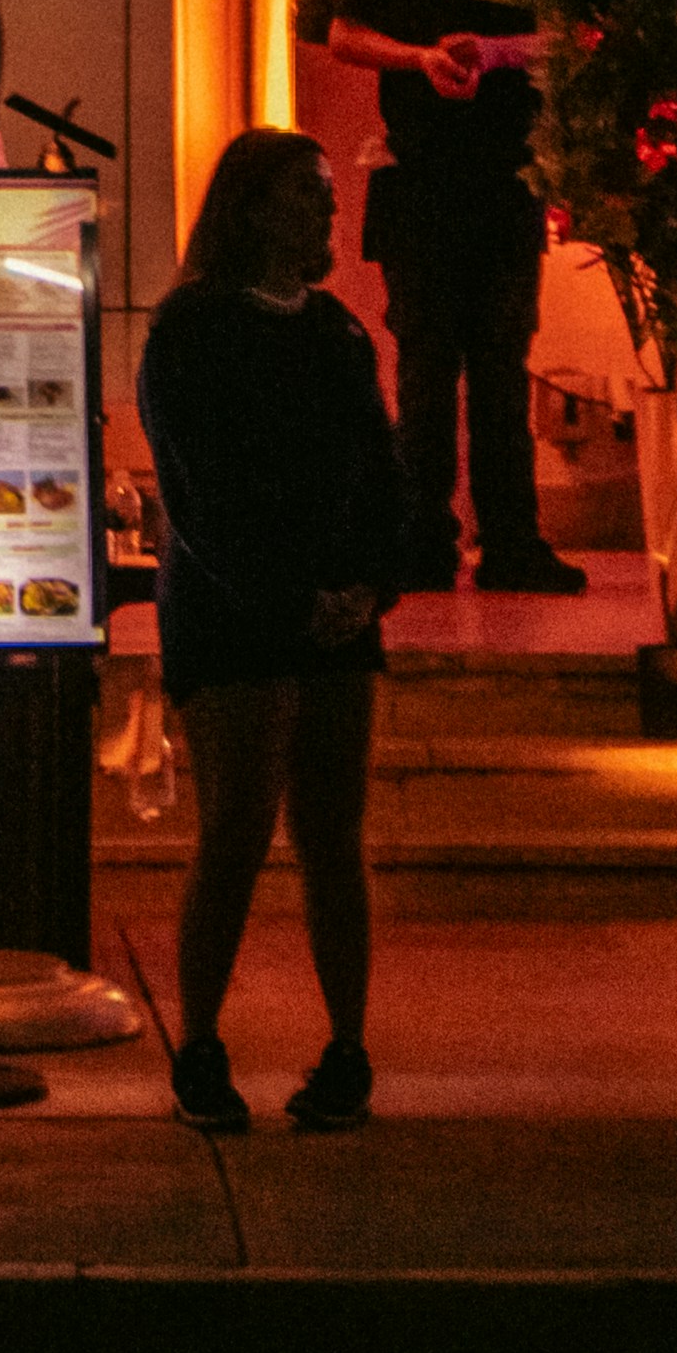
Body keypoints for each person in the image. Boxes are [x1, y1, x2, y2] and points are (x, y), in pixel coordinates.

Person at [141, 123, 406, 1130]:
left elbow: (381, 470)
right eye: (306, 191)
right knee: (237, 828)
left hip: (335, 610)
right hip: (235, 613)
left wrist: (368, 586)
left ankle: (347, 1045)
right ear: (250, 207)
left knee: (333, 831)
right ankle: (201, 1043)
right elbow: (201, 494)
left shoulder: (336, 333)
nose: (328, 208)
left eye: (327, 191)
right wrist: (288, 594)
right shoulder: (192, 334)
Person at [293, 0, 579, 595]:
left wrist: (479, 53)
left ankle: (463, 541)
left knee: (471, 369)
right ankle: (465, 539)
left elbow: (572, 33)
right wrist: (433, 57)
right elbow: (343, 35)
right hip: (442, 170)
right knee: (451, 370)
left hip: (480, 173)